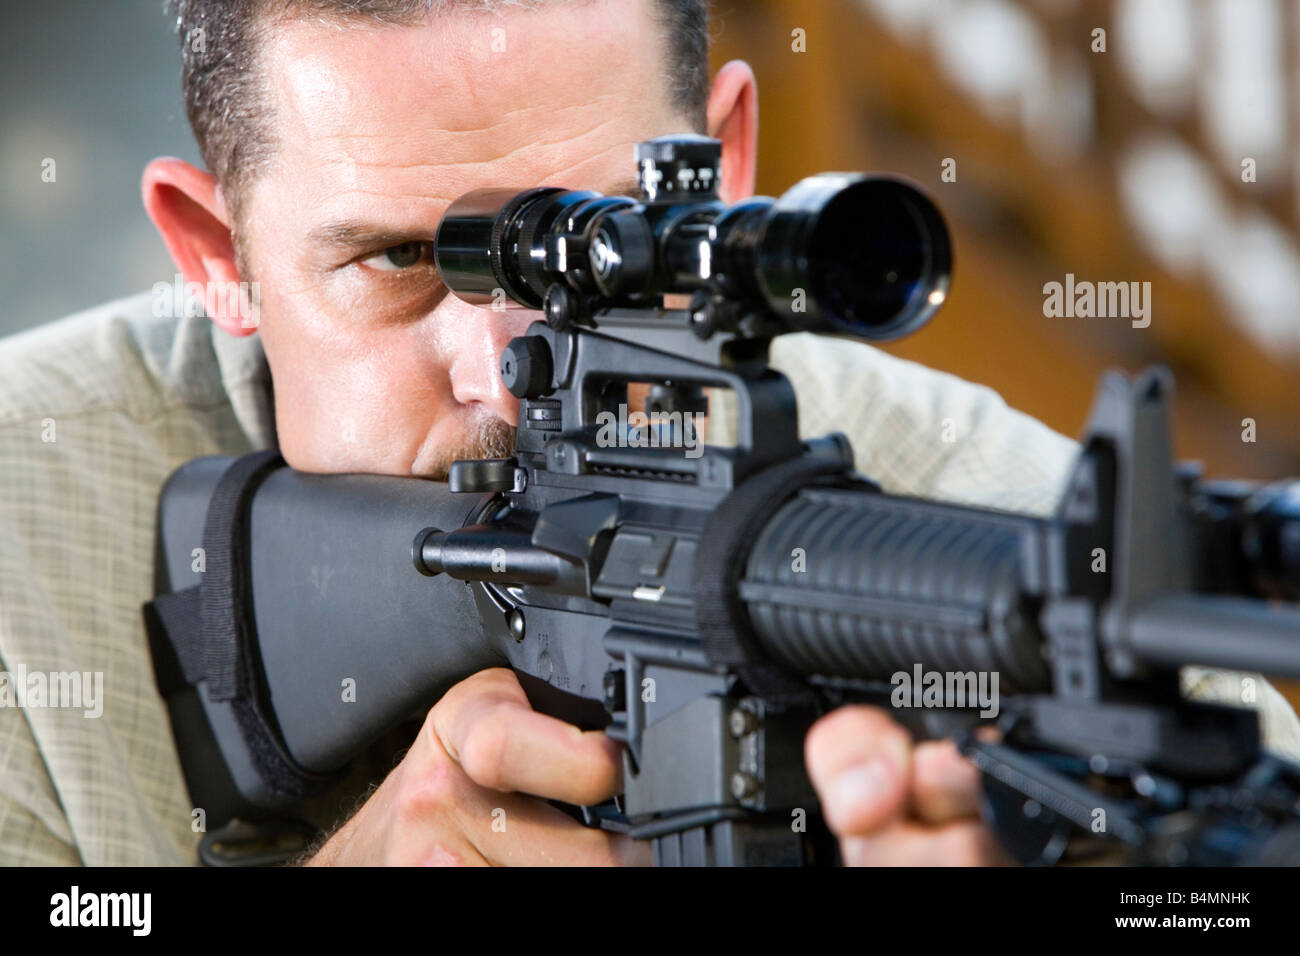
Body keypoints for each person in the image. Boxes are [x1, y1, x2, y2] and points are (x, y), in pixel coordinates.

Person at [1, 0, 1295, 867]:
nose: (508, 369)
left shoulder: (993, 513)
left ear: (727, 167)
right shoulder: (28, 516)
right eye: (403, 261)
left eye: (598, 242)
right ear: (214, 255)